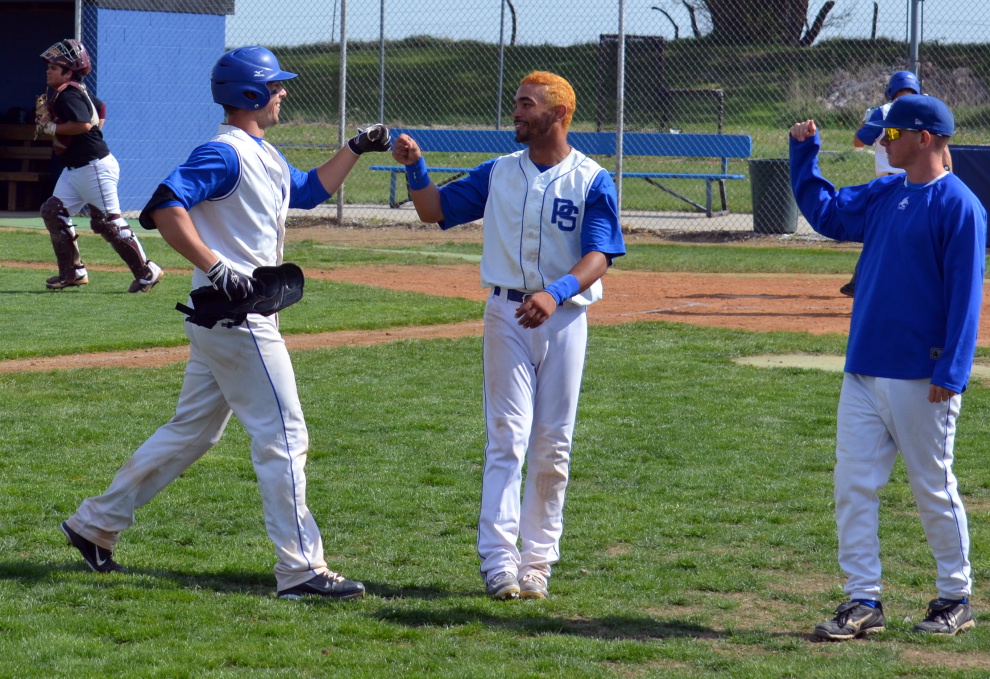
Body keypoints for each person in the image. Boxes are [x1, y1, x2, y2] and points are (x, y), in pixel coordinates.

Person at [60, 46, 393, 600]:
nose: (283, 92)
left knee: (191, 431)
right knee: (284, 437)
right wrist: (214, 266)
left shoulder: (261, 153)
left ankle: (95, 524)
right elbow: (165, 206)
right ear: (251, 95)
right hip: (239, 319)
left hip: (223, 319)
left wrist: (355, 146)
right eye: (276, 85)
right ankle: (301, 570)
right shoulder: (224, 153)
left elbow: (307, 192)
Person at [391, 71, 626, 600]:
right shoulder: (499, 172)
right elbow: (434, 210)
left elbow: (601, 255)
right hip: (506, 314)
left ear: (558, 115)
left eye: (527, 104)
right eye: (516, 102)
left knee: (553, 445)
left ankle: (537, 562)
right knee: (507, 438)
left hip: (563, 319)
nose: (516, 112)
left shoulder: (591, 179)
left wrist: (558, 291)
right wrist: (416, 167)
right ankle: (499, 562)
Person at [789, 94, 986, 640]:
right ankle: (862, 598)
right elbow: (828, 215)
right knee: (852, 483)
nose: (883, 140)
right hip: (865, 367)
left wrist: (952, 371)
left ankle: (955, 595)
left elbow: (966, 298)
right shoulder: (885, 191)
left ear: (924, 138)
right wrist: (804, 156)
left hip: (922, 376)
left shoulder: (959, 205)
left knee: (932, 486)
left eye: (892, 135)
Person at [37, 39, 162, 292]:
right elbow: (101, 107)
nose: (48, 70)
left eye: (54, 66)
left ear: (68, 71)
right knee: (53, 211)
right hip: (77, 169)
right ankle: (73, 273)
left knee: (108, 222)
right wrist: (95, 130)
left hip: (93, 166)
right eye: (49, 66)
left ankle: (148, 271)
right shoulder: (73, 89)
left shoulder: (67, 93)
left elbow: (83, 123)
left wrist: (52, 127)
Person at [842, 70, 952, 297]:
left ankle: (864, 282)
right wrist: (948, 175)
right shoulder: (927, 109)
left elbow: (858, 143)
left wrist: (865, 124)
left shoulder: (884, 111)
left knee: (881, 234)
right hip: (923, 182)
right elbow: (943, 149)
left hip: (890, 183)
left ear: (891, 91)